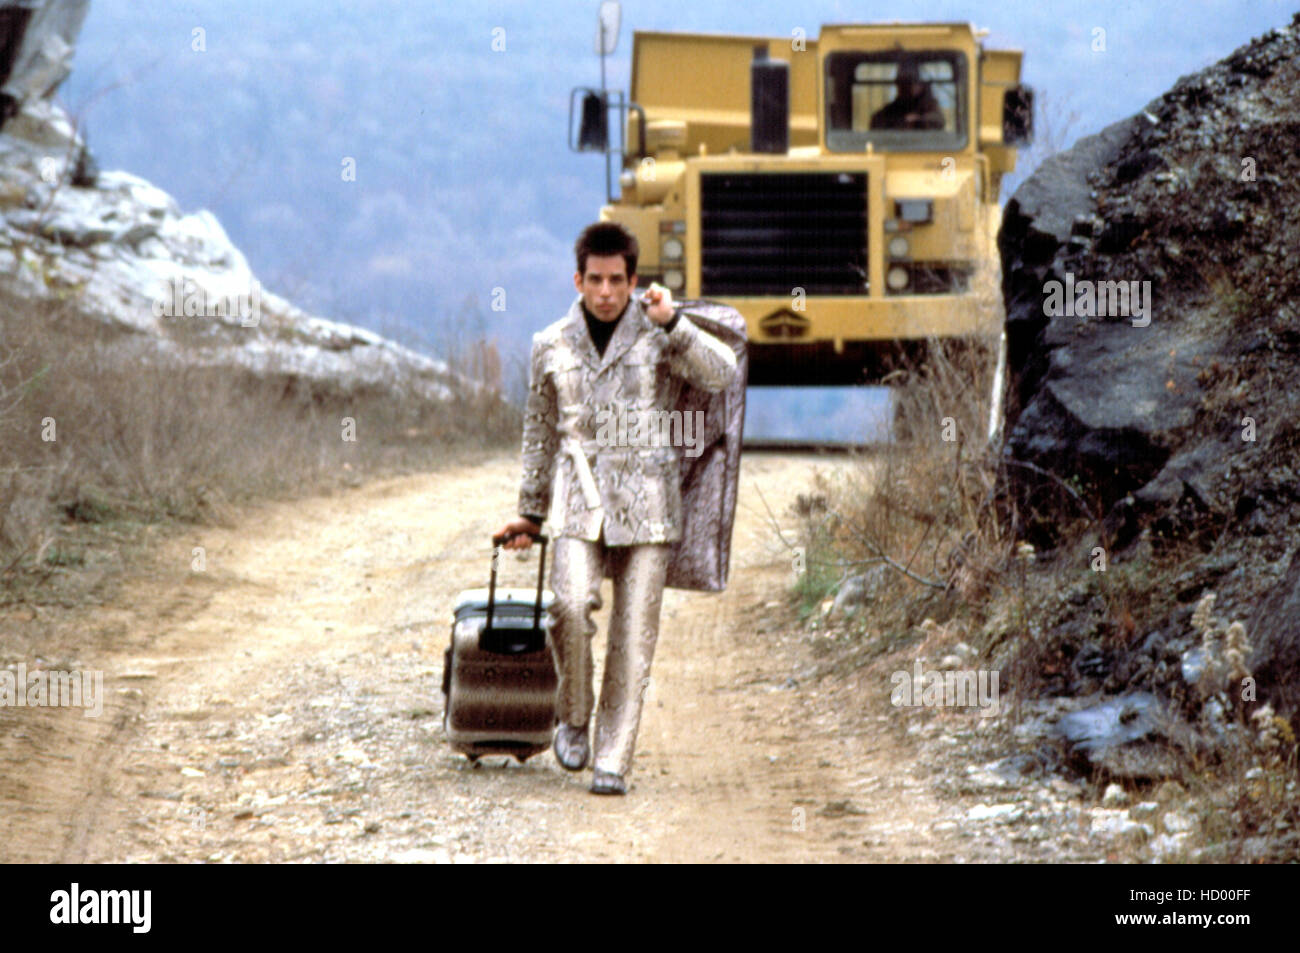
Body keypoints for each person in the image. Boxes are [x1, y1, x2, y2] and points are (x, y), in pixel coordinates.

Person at [495, 222, 737, 795]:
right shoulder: (549, 344)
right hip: (578, 499)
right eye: (595, 280)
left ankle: (613, 758)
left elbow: (722, 373)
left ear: (633, 281)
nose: (606, 292)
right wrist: (530, 513)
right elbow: (539, 432)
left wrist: (676, 324)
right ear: (578, 280)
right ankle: (573, 714)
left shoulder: (659, 334)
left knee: (633, 639)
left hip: (649, 502)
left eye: (617, 281)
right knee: (571, 607)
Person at [870, 59, 945, 131]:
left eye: (909, 83)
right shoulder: (893, 109)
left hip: (925, 143)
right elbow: (876, 122)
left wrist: (918, 120)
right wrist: (901, 121)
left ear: (920, 85)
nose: (905, 88)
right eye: (902, 84)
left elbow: (938, 122)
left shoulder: (928, 106)